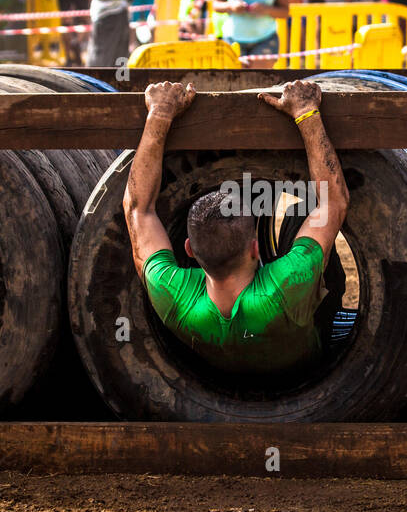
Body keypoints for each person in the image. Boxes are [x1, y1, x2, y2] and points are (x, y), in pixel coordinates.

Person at [122, 79, 349, 376]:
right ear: (256, 247)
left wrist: (160, 114)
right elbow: (334, 202)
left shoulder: (171, 294)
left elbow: (138, 208)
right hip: (307, 368)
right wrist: (306, 112)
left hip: (219, 365)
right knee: (304, 211)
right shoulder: (289, 282)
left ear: (188, 249)